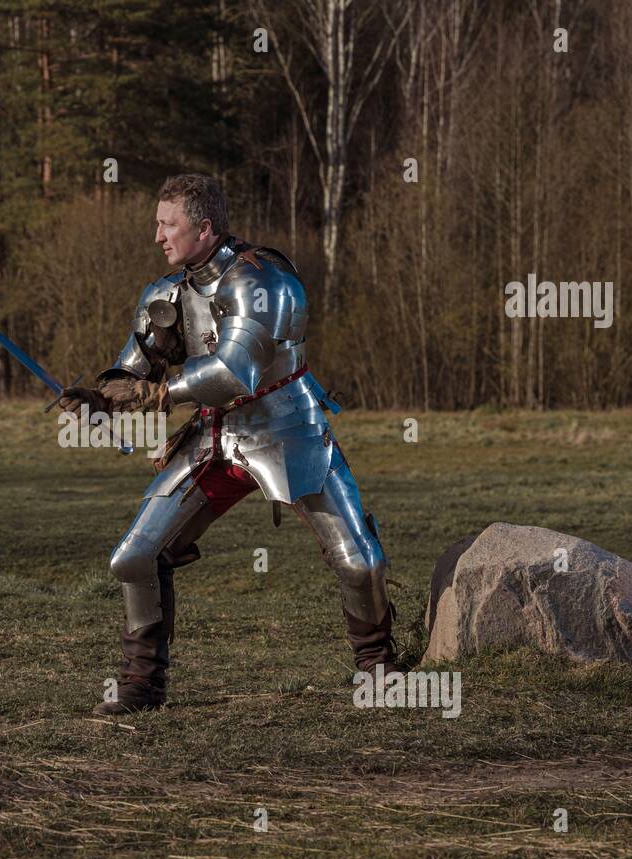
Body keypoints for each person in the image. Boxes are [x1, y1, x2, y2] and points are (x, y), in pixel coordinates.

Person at [60, 173, 403, 715]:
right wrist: (99, 398)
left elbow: (234, 372)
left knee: (359, 562)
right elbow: (133, 367)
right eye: (157, 224)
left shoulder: (262, 280)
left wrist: (156, 395)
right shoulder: (165, 293)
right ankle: (143, 686)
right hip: (213, 436)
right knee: (133, 557)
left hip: (288, 429)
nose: (157, 237)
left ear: (204, 227)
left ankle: (381, 672)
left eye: (167, 225)